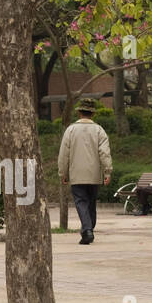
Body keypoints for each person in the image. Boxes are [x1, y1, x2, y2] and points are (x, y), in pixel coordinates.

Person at [58, 98, 112, 244]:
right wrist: (107, 172)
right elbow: (104, 153)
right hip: (94, 174)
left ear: (79, 112)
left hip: (76, 174)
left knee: (81, 202)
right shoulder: (99, 130)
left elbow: (64, 154)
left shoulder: (70, 130)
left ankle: (87, 230)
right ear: (93, 113)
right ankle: (89, 229)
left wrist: (63, 172)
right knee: (91, 203)